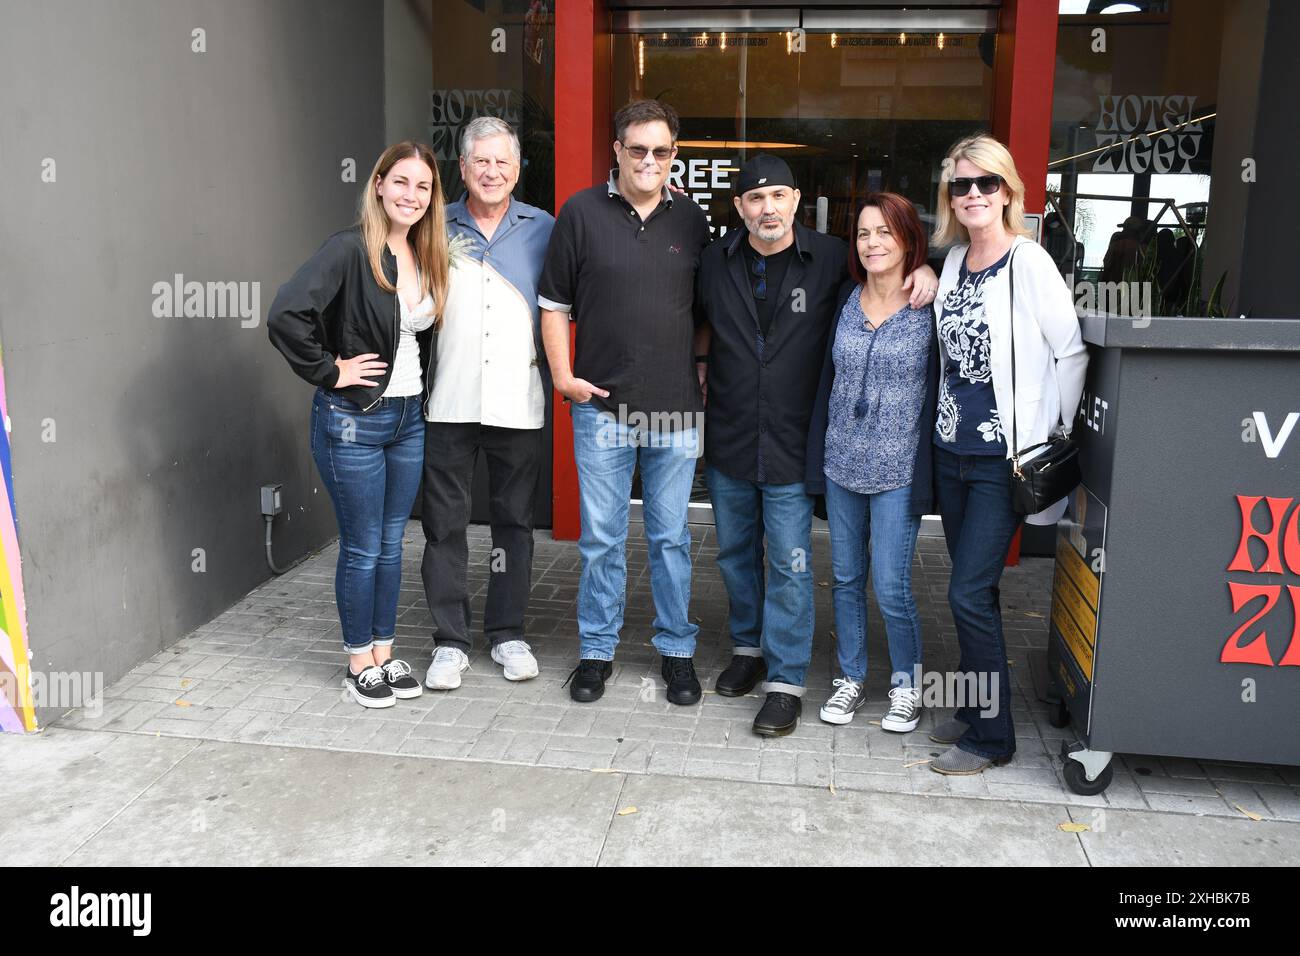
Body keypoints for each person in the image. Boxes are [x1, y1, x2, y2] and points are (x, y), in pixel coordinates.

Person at [696, 159, 937, 736]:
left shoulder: (831, 259)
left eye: (778, 195)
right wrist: (701, 363)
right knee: (733, 555)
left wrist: (928, 269)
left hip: (792, 441)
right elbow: (694, 321)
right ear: (739, 207)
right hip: (730, 435)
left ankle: (786, 680)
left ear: (797, 198)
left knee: (790, 563)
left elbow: (896, 268)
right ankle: (748, 649)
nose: (767, 208)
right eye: (755, 198)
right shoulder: (713, 262)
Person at [538, 99, 710, 705]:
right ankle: (596, 650)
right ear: (616, 150)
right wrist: (563, 376)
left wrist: (703, 369)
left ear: (673, 155)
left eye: (661, 151)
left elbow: (705, 311)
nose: (649, 160)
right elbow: (554, 304)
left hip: (674, 409)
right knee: (603, 538)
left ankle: (677, 651)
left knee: (671, 539)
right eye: (637, 149)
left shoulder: (692, 221)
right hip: (601, 404)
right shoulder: (580, 214)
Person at [268, 141, 449, 708]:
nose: (411, 196)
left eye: (423, 187)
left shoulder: (428, 254)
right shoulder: (349, 249)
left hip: (407, 419)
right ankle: (356, 660)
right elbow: (286, 314)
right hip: (354, 421)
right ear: (378, 185)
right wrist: (330, 369)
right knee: (364, 546)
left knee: (393, 545)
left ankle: (385, 653)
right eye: (401, 183)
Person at [927, 133, 1087, 774]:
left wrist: (1053, 434)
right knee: (978, 592)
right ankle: (971, 704)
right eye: (960, 185)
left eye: (984, 183)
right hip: (950, 451)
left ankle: (994, 740)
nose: (972, 194)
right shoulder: (951, 263)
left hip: (1003, 460)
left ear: (1007, 192)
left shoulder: (1029, 262)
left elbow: (1071, 350)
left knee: (967, 592)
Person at [420, 117, 555, 691]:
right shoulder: (432, 224)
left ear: (518, 169)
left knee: (514, 524)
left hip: (517, 403)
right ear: (464, 168)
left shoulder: (544, 228)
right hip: (448, 399)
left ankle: (506, 633)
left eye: (502, 162)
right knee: (444, 526)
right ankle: (449, 642)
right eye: (481, 162)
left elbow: (562, 306)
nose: (492, 172)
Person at [805, 193, 937, 733]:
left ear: (908, 239)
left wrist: (931, 267)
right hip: (841, 462)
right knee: (843, 577)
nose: (873, 243)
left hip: (898, 470)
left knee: (891, 585)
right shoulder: (843, 297)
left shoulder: (933, 299)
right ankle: (851, 679)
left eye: (885, 232)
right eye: (863, 233)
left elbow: (964, 251)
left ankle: (907, 687)